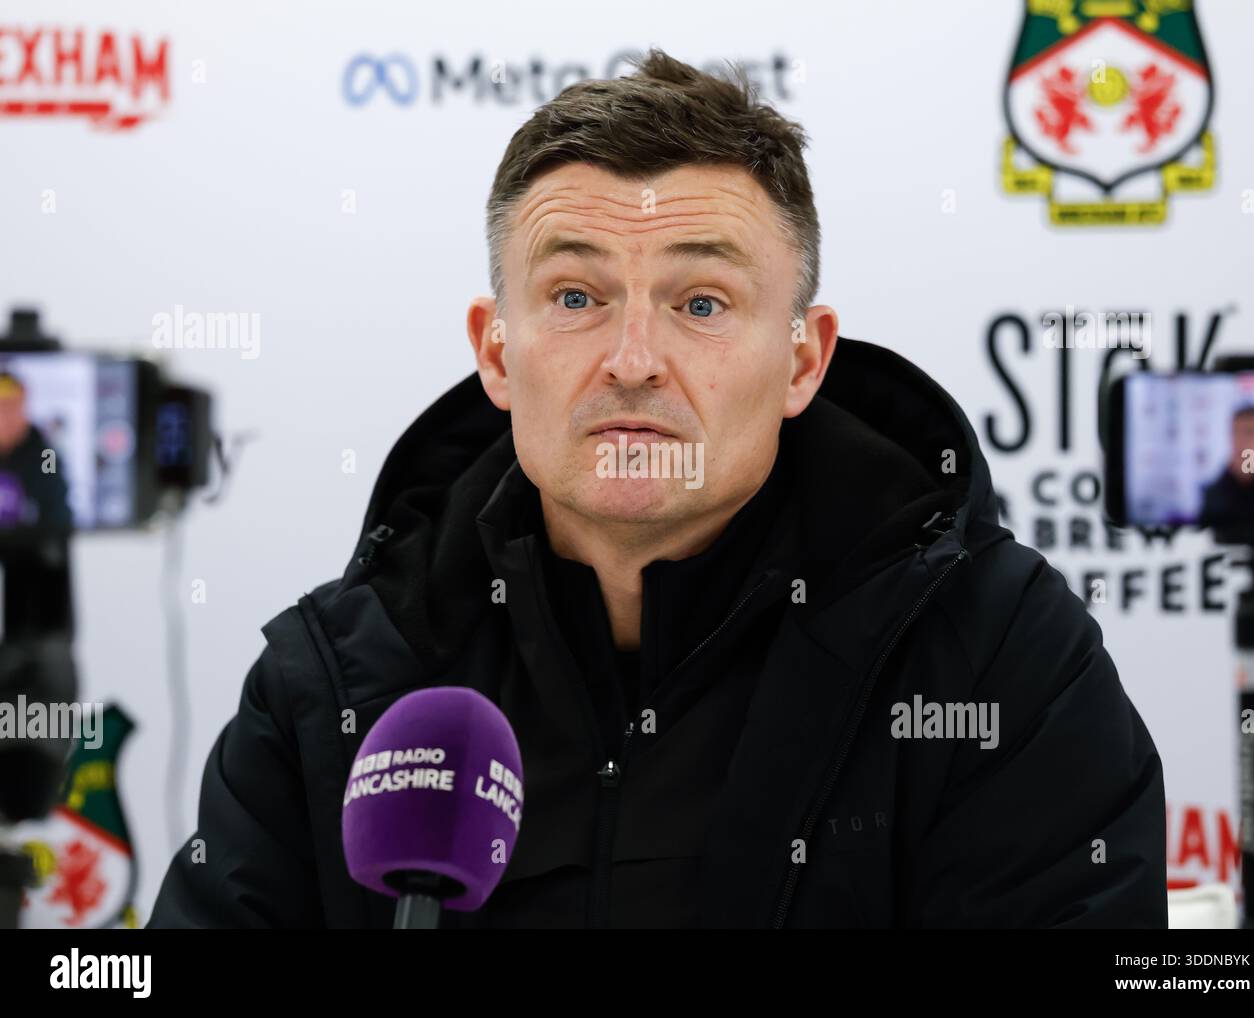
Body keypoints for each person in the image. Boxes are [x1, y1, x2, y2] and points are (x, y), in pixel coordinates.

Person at [148, 49, 1166, 928]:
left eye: (702, 301)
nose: (633, 358)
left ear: (804, 362)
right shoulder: (333, 686)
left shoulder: (993, 655)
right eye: (577, 296)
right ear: (495, 353)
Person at [0, 370, 73, 532]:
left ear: (24, 407)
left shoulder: (48, 456)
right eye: (1, 408)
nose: (5, 417)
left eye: (12, 407)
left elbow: (59, 512)